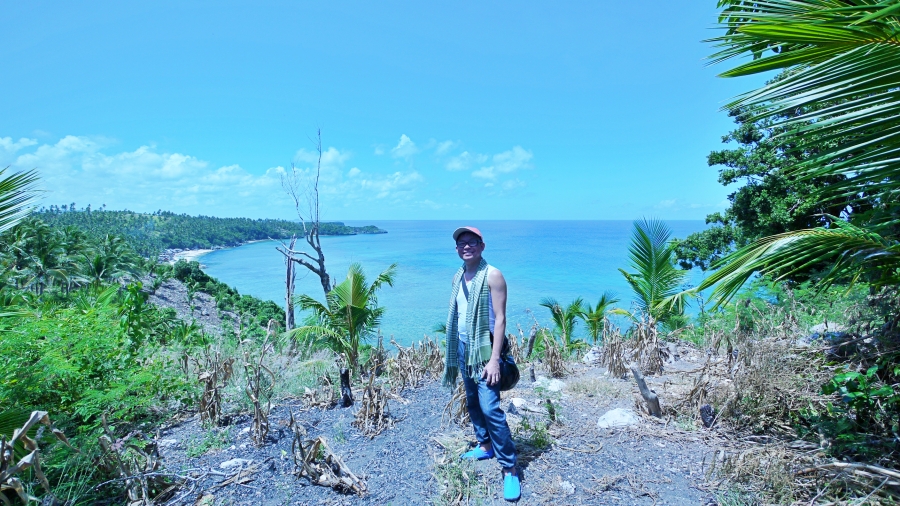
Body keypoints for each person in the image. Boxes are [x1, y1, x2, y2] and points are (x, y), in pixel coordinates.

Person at [442, 226, 520, 501]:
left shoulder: (493, 275)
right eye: (461, 243)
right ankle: (485, 444)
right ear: (457, 249)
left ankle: (510, 468)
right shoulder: (459, 276)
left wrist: (495, 359)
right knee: (473, 400)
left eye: (471, 242)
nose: (466, 246)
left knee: (490, 407)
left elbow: (500, 320)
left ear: (481, 246)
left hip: (485, 348)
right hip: (464, 347)